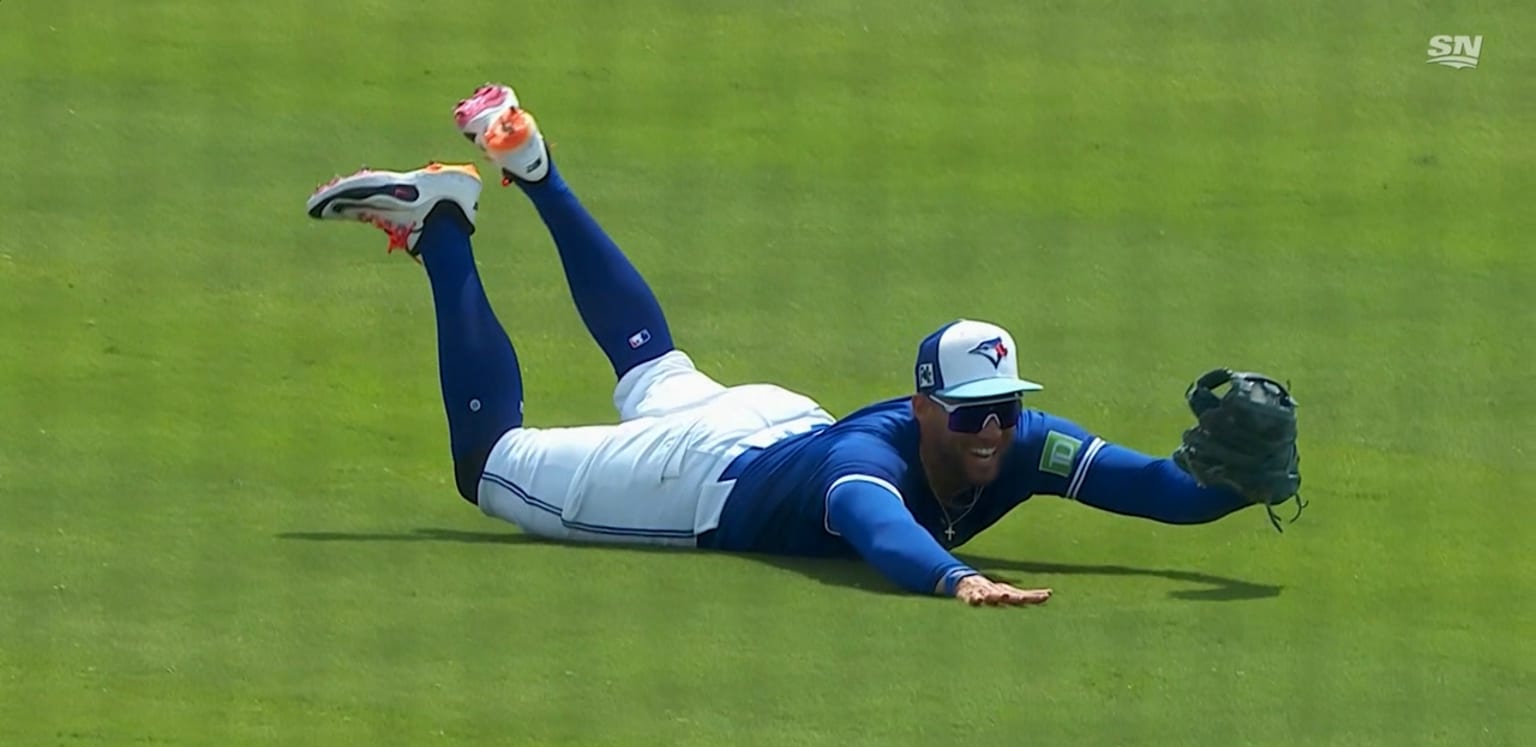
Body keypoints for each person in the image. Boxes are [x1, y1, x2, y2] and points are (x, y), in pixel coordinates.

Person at [305, 83, 1302, 608]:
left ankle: (535, 164)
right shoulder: (871, 467)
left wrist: (1233, 483)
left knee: (654, 366)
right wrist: (956, 580)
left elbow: (1159, 492)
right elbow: (881, 534)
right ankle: (442, 224)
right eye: (972, 416)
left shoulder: (1025, 439)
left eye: (1004, 408)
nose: (996, 432)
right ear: (924, 410)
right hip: (698, 478)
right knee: (488, 467)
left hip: (771, 422)